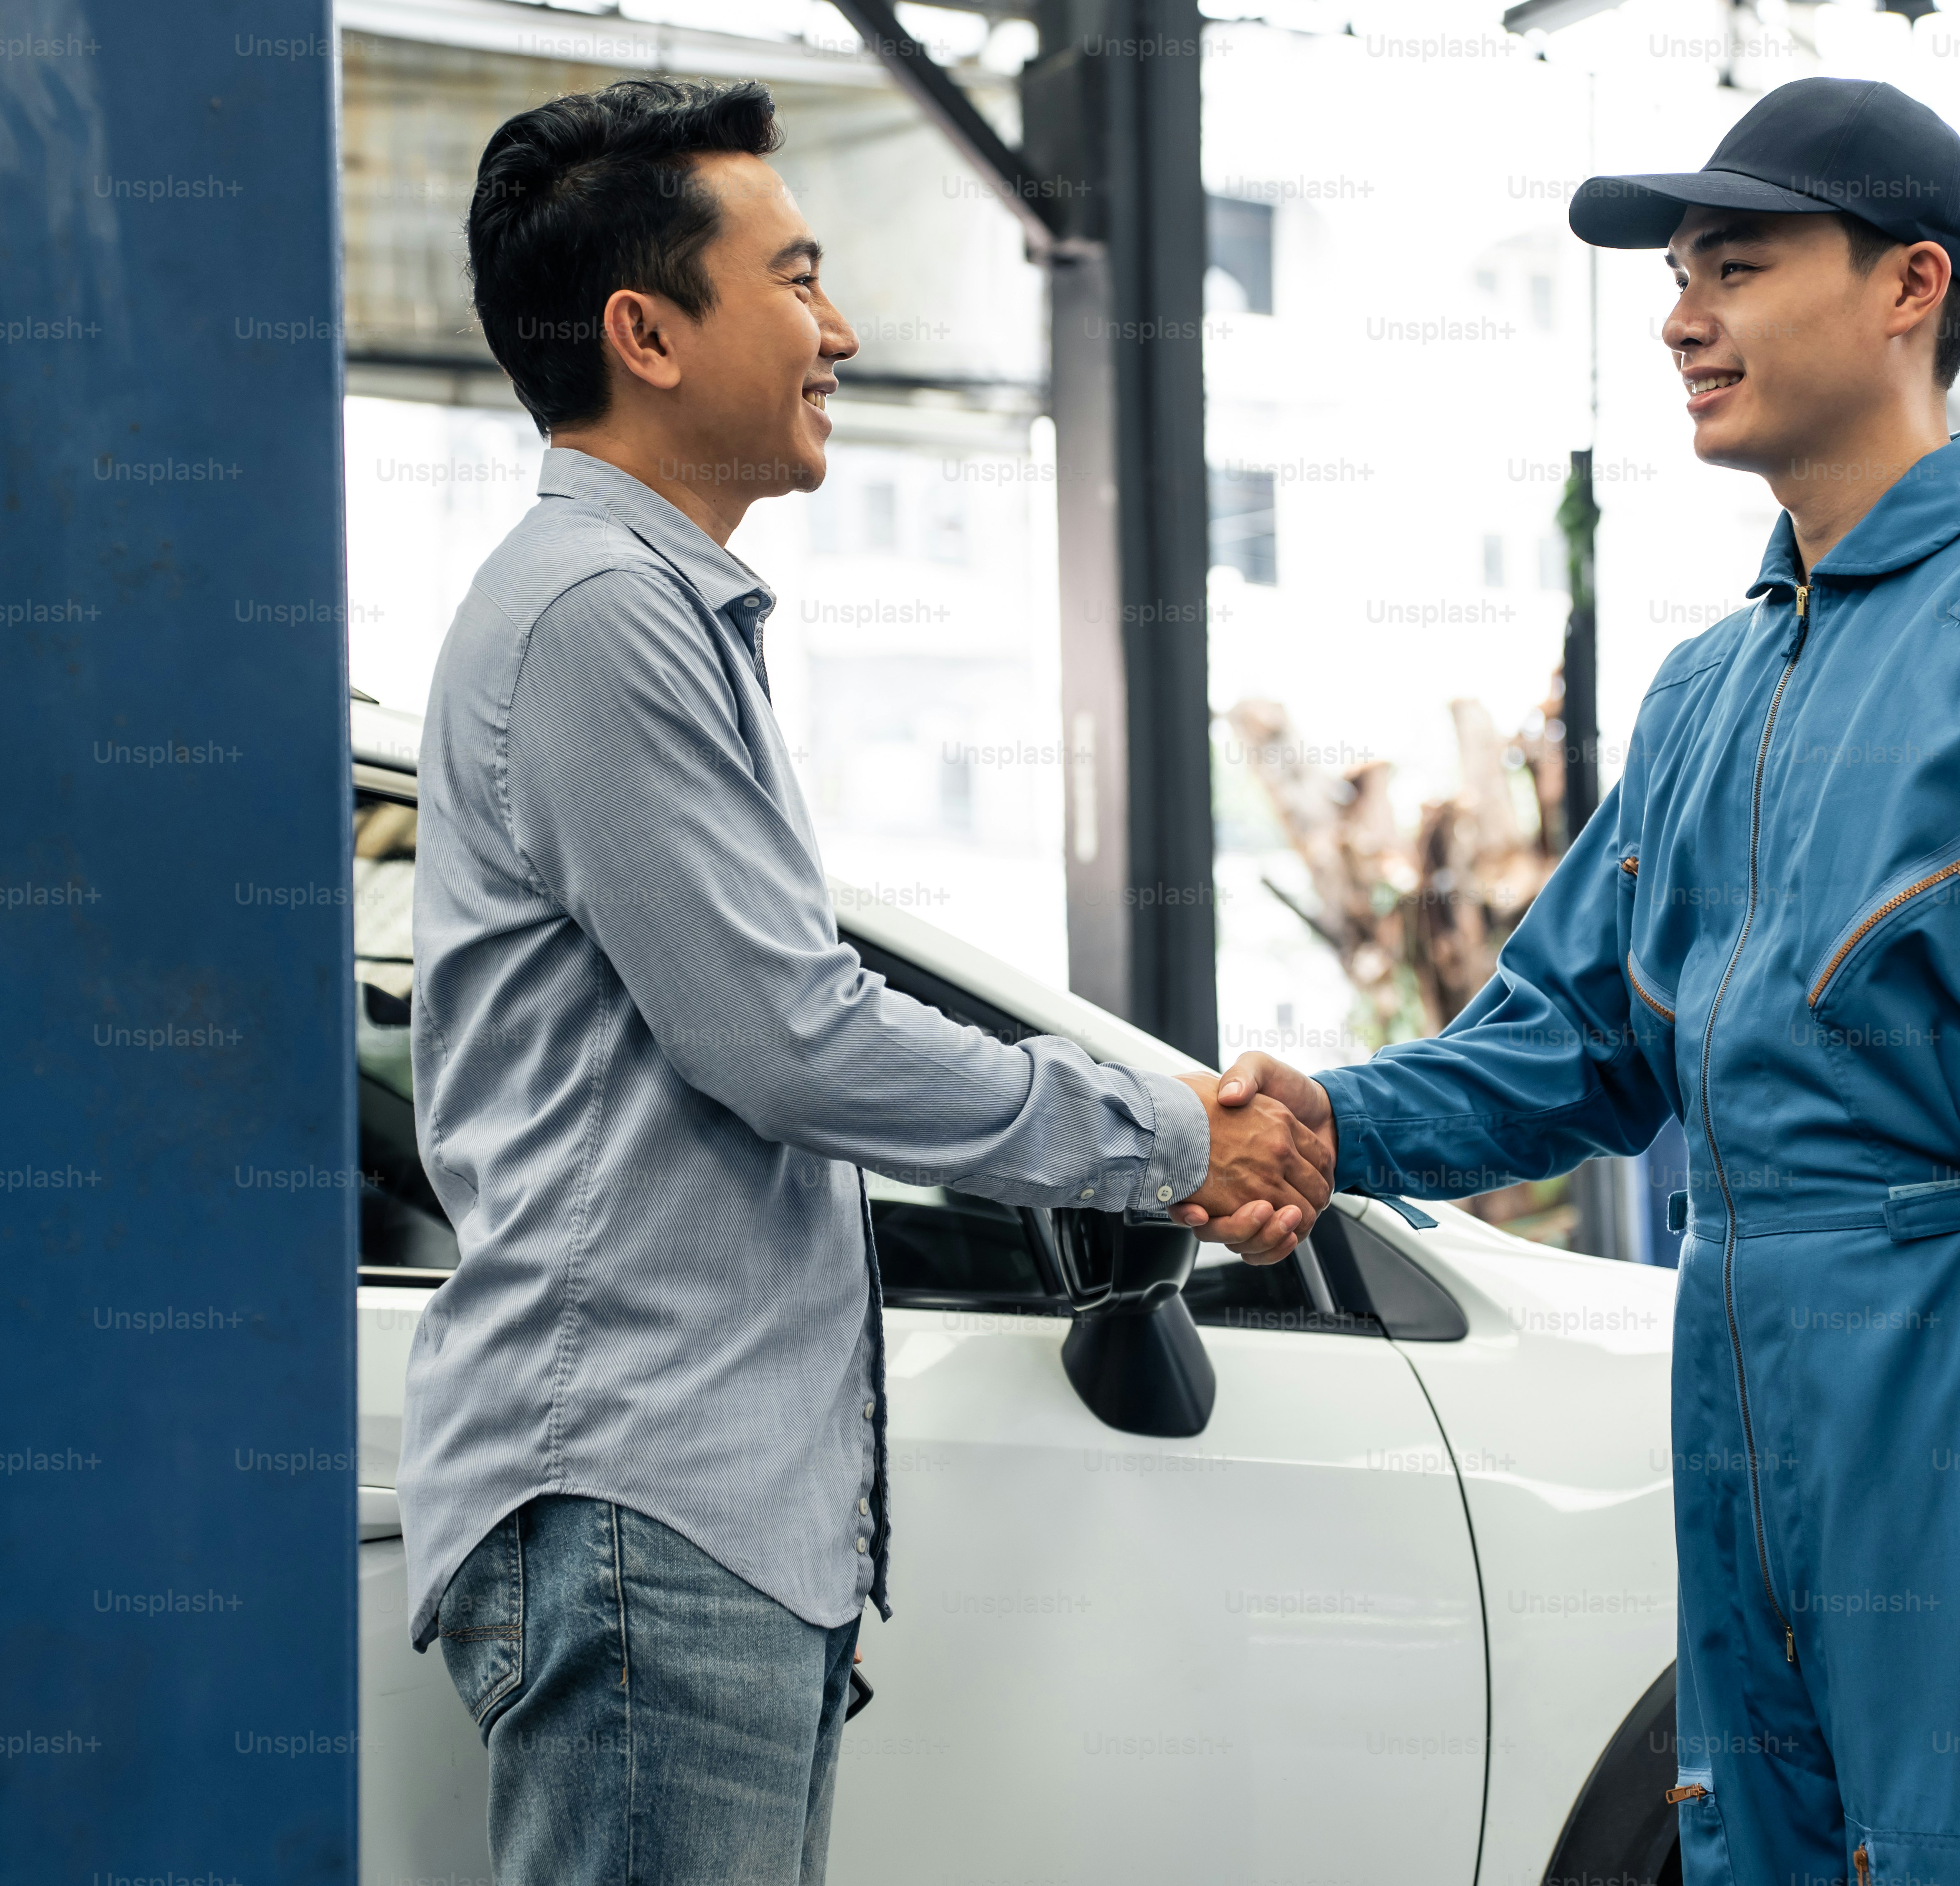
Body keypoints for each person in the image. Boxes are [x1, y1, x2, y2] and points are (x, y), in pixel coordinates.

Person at [1188, 77, 1960, 1886]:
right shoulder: (1714, 687)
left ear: (1907, 286)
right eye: (1675, 275)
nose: (1679, 313)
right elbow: (1579, 1037)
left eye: (1736, 260)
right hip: (1740, 1390)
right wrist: (1333, 1117)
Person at [398, 77, 1332, 1886]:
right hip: (646, 1505)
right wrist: (1166, 1132)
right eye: (798, 279)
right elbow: (794, 1039)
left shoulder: (645, 611)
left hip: (690, 1516)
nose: (840, 329)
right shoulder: (599, 614)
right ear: (646, 333)